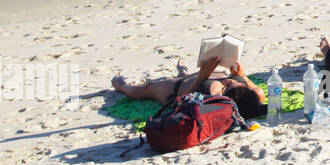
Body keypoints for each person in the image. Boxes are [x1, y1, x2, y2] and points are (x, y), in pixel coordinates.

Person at [111, 56, 267, 118]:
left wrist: (201, 78)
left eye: (231, 85)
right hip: (198, 77)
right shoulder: (254, 95)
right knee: (186, 75)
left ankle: (120, 84)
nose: (233, 81)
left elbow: (183, 102)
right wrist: (242, 75)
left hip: (176, 88)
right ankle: (182, 71)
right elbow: (256, 91)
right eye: (238, 83)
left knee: (144, 89)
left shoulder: (212, 96)